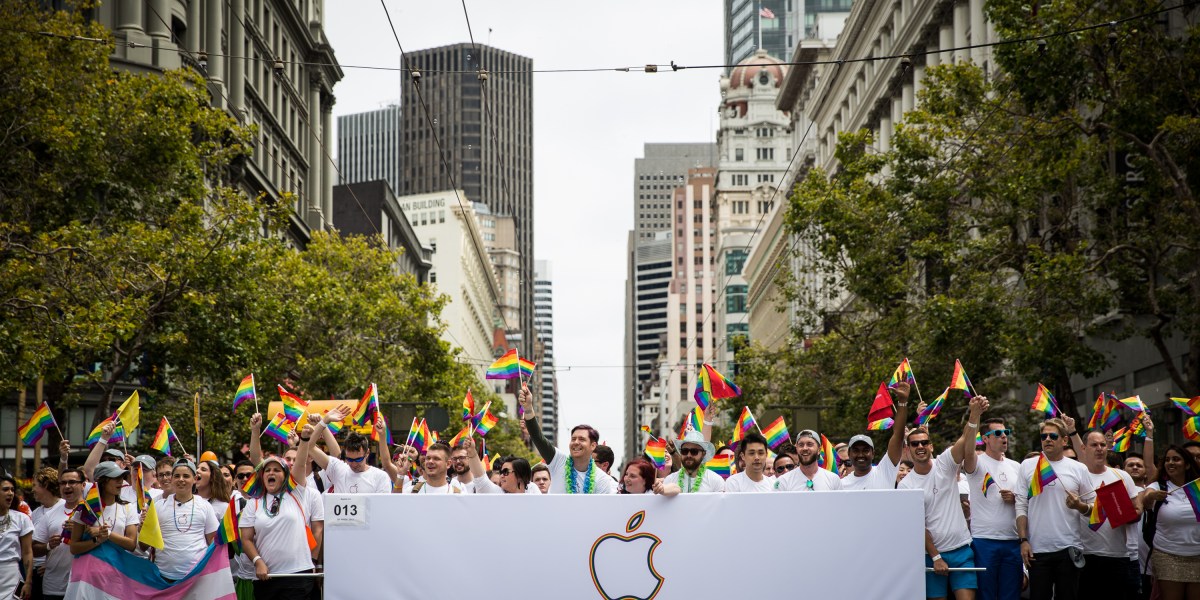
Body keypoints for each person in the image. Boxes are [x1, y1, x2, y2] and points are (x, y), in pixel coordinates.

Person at [901, 395, 988, 600]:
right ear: (908, 448)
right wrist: (936, 557)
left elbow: (965, 439)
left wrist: (974, 414)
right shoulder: (906, 484)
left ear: (931, 446)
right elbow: (917, 526)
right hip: (931, 556)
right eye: (915, 444)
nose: (920, 446)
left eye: (924, 442)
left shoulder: (945, 464)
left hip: (960, 550)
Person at [1015, 417, 1093, 600]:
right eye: (1043, 437)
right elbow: (1021, 505)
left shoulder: (1079, 468)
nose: (1047, 439)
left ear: (1064, 440)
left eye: (1052, 436)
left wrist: (1079, 506)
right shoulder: (1028, 465)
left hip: (1069, 547)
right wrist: (1023, 540)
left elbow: (1094, 508)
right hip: (1037, 550)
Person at [240, 448, 324, 599]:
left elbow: (300, 464)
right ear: (262, 476)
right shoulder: (254, 503)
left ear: (286, 476)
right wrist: (257, 561)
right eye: (268, 470)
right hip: (266, 577)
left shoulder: (298, 494)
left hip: (298, 577)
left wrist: (304, 440)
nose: (271, 473)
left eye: (277, 470)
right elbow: (246, 539)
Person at [1075, 430, 1142, 599]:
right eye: (1094, 445)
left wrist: (1120, 511)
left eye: (1102, 445)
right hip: (1084, 555)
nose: (1099, 449)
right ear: (1083, 448)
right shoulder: (1076, 476)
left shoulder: (1122, 476)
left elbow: (1136, 513)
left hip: (1117, 555)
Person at [962, 417, 1023, 600]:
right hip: (984, 540)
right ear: (985, 438)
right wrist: (975, 415)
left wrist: (1015, 498)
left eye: (1006, 433)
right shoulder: (976, 462)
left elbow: (1025, 501)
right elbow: (968, 447)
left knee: (1011, 595)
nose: (1003, 436)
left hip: (1013, 540)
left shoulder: (1016, 466)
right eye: (997, 433)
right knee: (986, 594)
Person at [519, 384, 617, 494]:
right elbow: (538, 438)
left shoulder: (602, 480)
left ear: (593, 445)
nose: (576, 443)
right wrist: (528, 408)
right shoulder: (559, 461)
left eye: (581, 439)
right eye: (573, 439)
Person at [1140, 445, 1200, 600]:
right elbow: (1145, 502)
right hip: (1167, 555)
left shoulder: (1197, 488)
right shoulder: (1158, 487)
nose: (1170, 463)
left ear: (1187, 464)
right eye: (1167, 460)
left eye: (1176, 459)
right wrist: (1152, 497)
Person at [146, 459, 218, 582]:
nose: (181, 480)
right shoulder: (157, 506)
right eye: (177, 476)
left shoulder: (205, 506)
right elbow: (145, 544)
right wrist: (143, 527)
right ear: (172, 479)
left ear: (195, 479)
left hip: (197, 577)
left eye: (186, 476)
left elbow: (213, 540)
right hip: (163, 577)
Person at [301, 411, 392, 494]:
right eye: (349, 459)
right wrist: (324, 421)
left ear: (367, 453)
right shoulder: (339, 469)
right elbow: (310, 447)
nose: (353, 464)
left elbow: (382, 508)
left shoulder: (380, 477)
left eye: (358, 459)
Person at [843, 383, 911, 491]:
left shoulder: (885, 471)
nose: (861, 454)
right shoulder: (841, 485)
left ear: (873, 453)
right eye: (856, 450)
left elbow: (898, 436)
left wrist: (902, 402)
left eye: (865, 450)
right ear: (849, 454)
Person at [69, 463, 139, 555]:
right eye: (115, 477)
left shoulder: (128, 508)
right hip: (90, 567)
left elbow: (131, 545)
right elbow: (74, 548)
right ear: (102, 482)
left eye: (121, 477)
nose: (120, 481)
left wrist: (108, 534)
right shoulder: (86, 508)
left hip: (117, 567)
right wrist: (97, 541)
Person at [35, 468, 82, 600]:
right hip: (54, 588)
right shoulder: (50, 514)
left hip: (83, 585)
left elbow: (100, 542)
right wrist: (49, 546)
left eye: (72, 482)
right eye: (63, 483)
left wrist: (81, 531)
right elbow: (34, 548)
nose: (67, 486)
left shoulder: (92, 513)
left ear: (83, 485)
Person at [29, 468, 62, 600]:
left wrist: (49, 565)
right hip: (35, 572)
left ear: (46, 485)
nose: (32, 490)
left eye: (34, 485)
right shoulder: (36, 512)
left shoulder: (65, 507)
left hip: (54, 574)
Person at [0, 475, 34, 600]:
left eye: (12, 490)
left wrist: (28, 582)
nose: (10, 493)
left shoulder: (21, 518)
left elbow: (27, 552)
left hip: (11, 577)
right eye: (5, 489)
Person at [775, 430, 842, 491]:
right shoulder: (783, 481)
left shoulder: (833, 479)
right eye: (801, 445)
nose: (805, 448)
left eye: (809, 444)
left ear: (819, 449)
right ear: (797, 449)